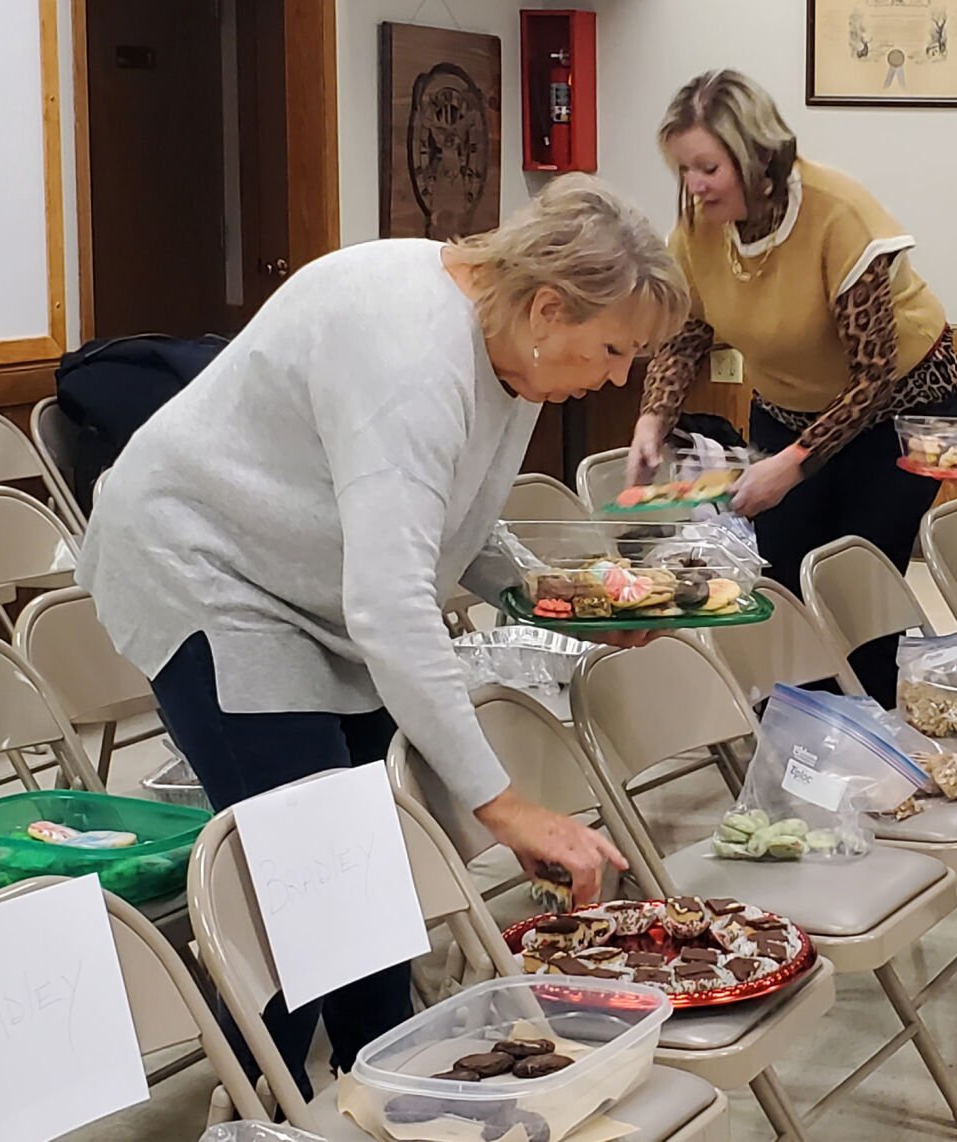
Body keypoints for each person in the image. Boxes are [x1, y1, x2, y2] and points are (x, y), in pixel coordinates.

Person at [79, 175, 688, 1091]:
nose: (614, 377)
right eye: (610, 350)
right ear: (550, 305)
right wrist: (503, 802)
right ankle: (261, 1113)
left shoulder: (510, 337)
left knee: (369, 869)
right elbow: (394, 604)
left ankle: (390, 1089)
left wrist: (560, 599)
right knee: (304, 887)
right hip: (209, 572)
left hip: (318, 584)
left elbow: (455, 522)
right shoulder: (408, 349)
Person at [630, 70, 957, 707]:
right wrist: (653, 417)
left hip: (898, 407)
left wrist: (791, 466)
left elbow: (871, 379)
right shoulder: (699, 227)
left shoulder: (838, 213)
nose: (694, 187)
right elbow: (687, 333)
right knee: (782, 579)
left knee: (855, 587)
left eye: (708, 168)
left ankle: (865, 750)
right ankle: (794, 741)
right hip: (789, 405)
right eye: (684, 171)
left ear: (756, 157)